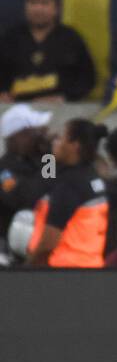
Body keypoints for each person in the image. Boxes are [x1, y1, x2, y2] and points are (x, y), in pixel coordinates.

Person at [27, 118, 108, 267]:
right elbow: (46, 182)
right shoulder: (91, 175)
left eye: (60, 138)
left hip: (64, 270)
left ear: (74, 145)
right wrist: (47, 155)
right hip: (90, 266)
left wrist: (28, 269)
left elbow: (48, 243)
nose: (55, 142)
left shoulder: (70, 185)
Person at [0, 0, 96, 103]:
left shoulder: (70, 38)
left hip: (59, 107)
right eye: (33, 3)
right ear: (25, 7)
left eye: (44, 3)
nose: (38, 8)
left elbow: (87, 78)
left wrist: (64, 97)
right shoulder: (10, 37)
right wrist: (2, 93)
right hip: (15, 105)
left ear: (56, 9)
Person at [0, 104, 53, 252]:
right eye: (33, 133)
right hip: (13, 250)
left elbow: (54, 187)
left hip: (42, 242)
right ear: (17, 136)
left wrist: (49, 156)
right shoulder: (3, 172)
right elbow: (30, 199)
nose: (39, 137)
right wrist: (48, 156)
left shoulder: (40, 159)